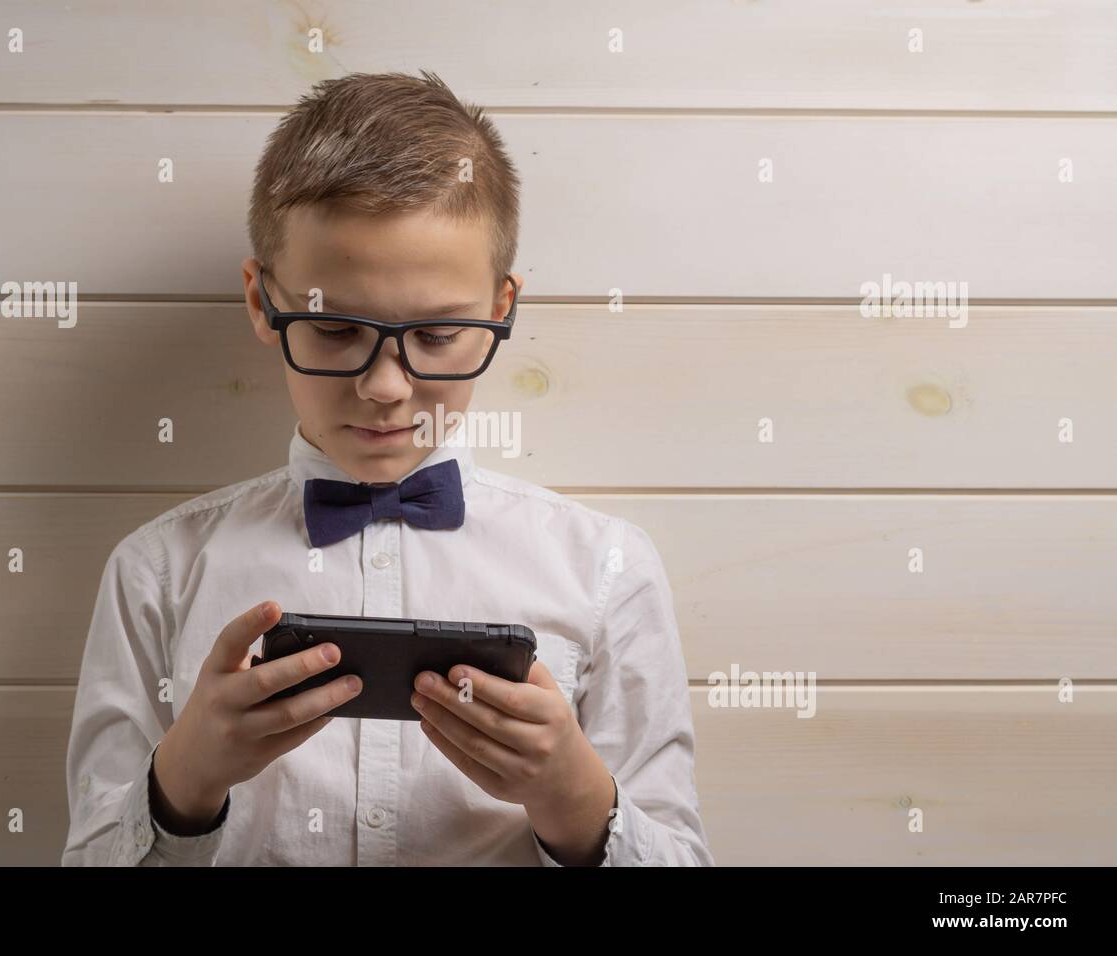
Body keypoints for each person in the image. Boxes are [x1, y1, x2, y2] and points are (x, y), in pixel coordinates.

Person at [62, 70, 712, 866]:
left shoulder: (609, 570)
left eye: (436, 335)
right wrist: (184, 784)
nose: (385, 388)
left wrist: (574, 799)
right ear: (263, 303)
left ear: (501, 310)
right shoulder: (156, 575)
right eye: (336, 329)